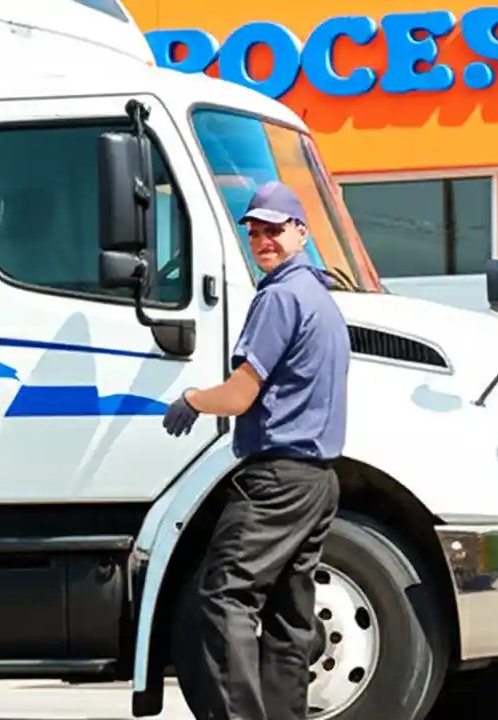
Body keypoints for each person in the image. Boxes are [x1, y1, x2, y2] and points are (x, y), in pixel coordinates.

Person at [161, 180, 351, 720]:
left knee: (223, 598)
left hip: (275, 480)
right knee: (290, 616)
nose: (263, 239)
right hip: (318, 481)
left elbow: (242, 393)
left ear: (301, 233)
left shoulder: (280, 298)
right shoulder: (321, 299)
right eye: (255, 230)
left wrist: (194, 400)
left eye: (274, 229)